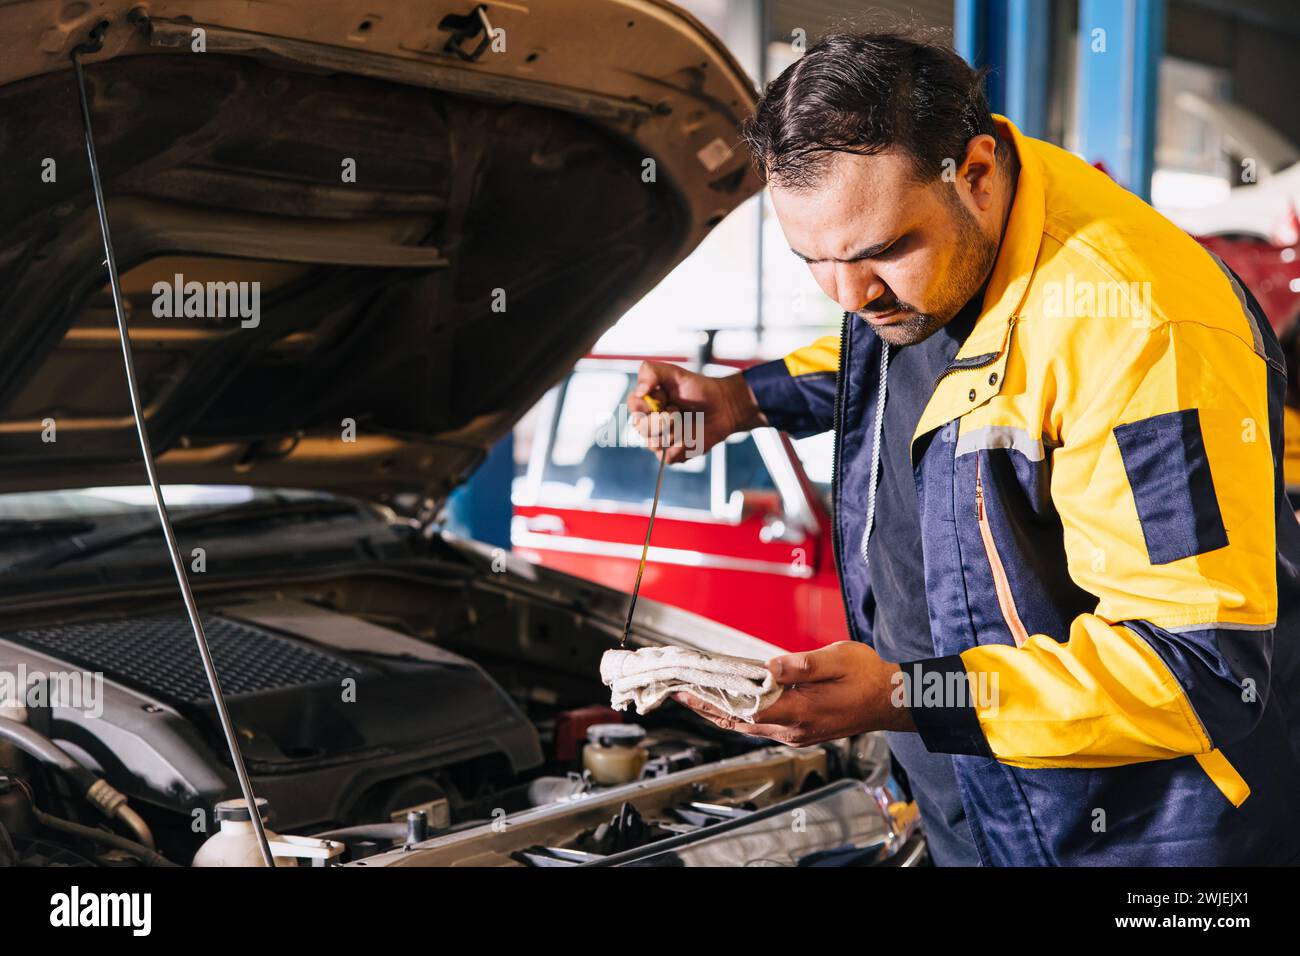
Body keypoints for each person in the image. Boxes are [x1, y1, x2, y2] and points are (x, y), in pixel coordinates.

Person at [628, 29, 1300, 866]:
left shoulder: (1140, 327)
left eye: (876, 254)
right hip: (970, 802)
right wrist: (740, 398)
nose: (851, 295)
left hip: (1137, 841)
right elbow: (892, 344)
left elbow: (1193, 667)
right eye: (815, 261)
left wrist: (910, 693)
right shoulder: (932, 235)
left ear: (976, 176)